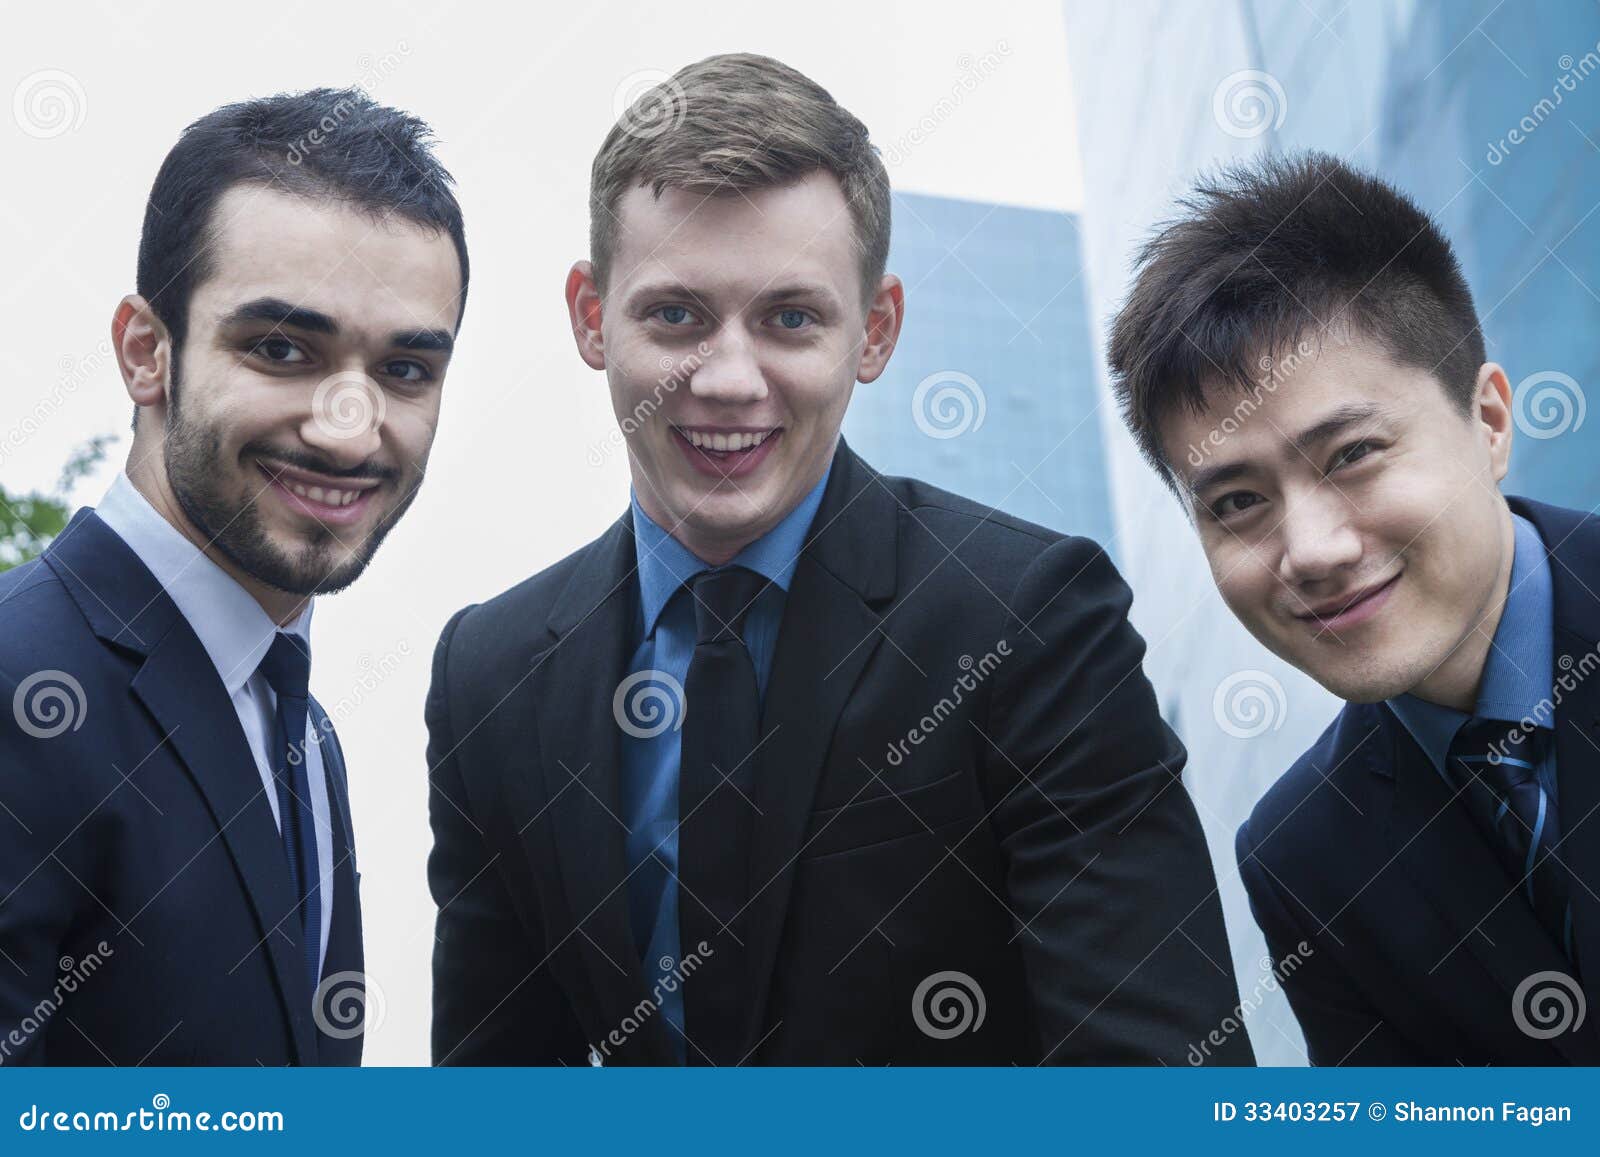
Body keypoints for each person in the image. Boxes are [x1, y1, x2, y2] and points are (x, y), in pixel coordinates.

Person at [426, 53, 1249, 1066]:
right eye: (675, 313)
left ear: (877, 329)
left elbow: (1157, 1076)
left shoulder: (1025, 621)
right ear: (593, 318)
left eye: (790, 318)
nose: (728, 378)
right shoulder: (488, 676)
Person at [0, 88, 468, 1065]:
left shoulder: (301, 727)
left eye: (407, 369)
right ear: (146, 351)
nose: (351, 423)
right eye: (282, 348)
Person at [1108, 151, 1600, 1064]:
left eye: (1352, 454)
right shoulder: (1303, 853)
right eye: (1238, 503)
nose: (1314, 551)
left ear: (1489, 422)